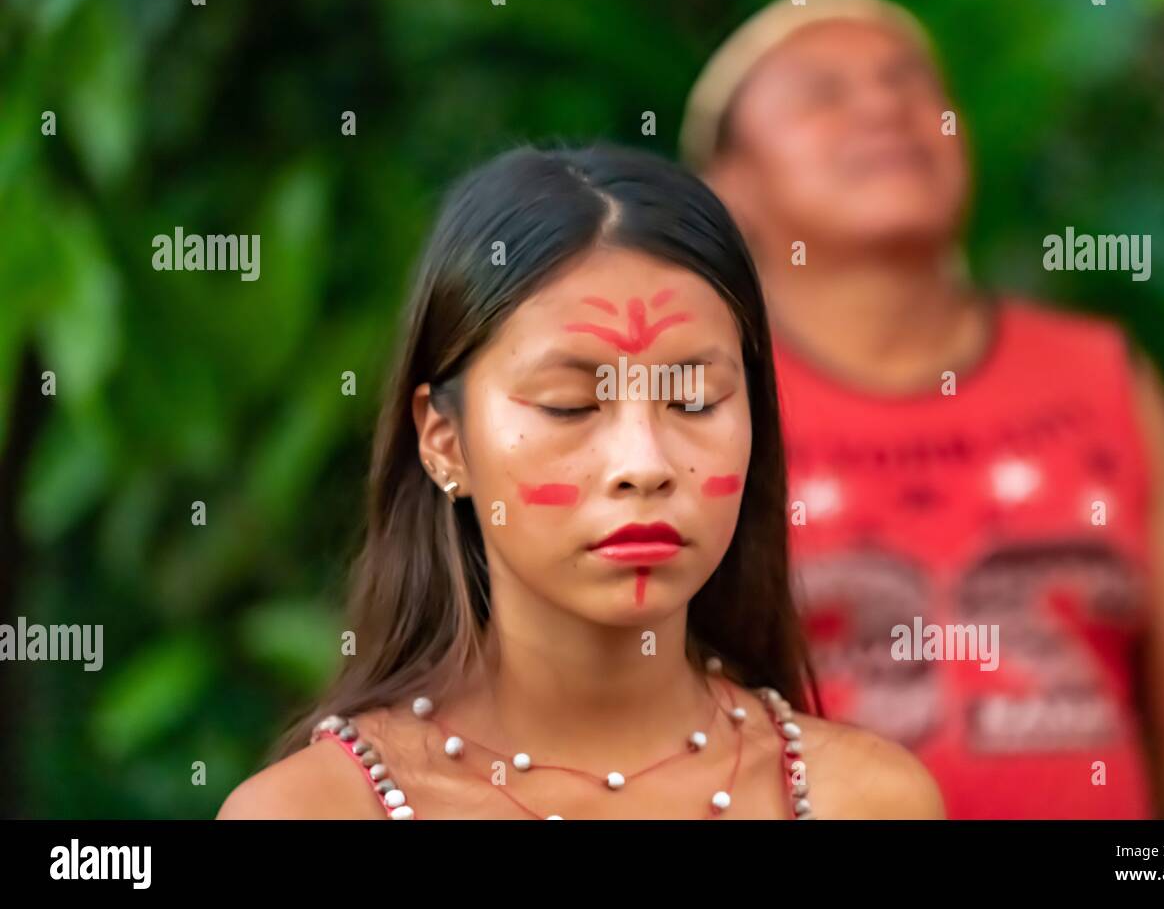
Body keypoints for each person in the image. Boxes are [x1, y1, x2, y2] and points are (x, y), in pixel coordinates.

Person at [682, 0, 1164, 818]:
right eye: (822, 94)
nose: (883, 109)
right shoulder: (700, 407)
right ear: (729, 186)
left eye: (911, 85)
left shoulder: (1104, 377)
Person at [217, 144, 944, 820]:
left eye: (694, 400)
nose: (645, 464)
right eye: (569, 405)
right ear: (444, 442)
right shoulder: (314, 810)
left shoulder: (864, 798)